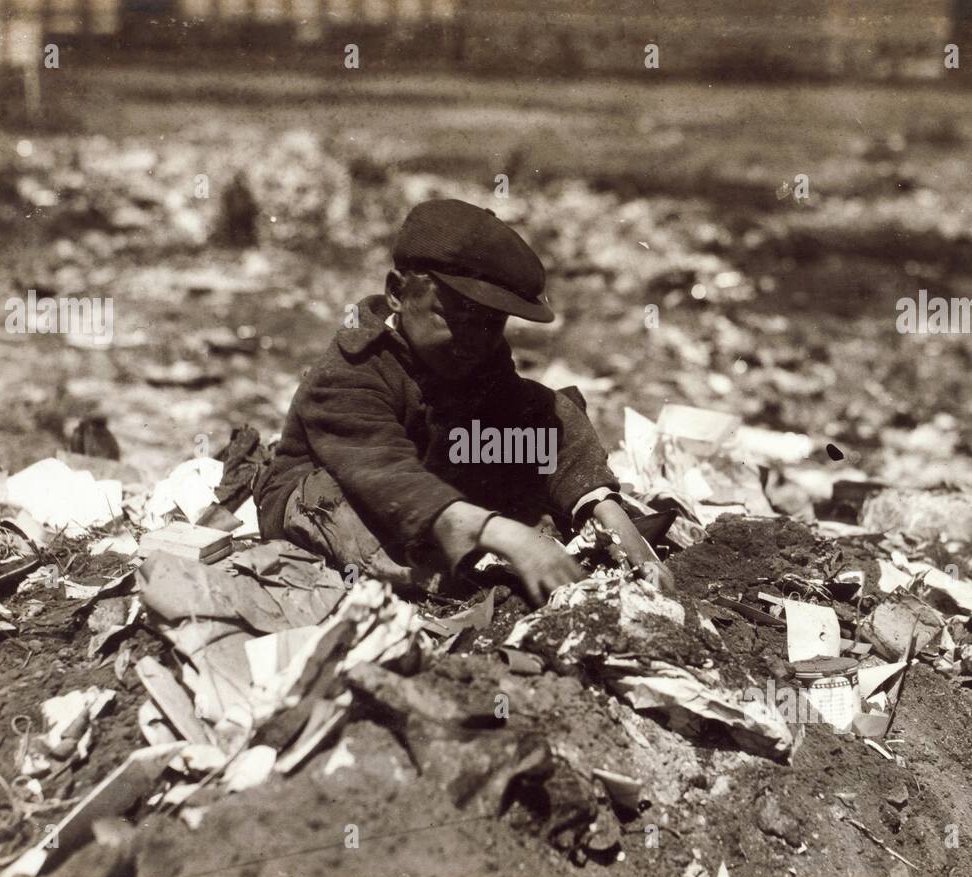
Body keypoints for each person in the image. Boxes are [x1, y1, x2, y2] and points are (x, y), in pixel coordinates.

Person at [254, 198, 672, 605]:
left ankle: (484, 547)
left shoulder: (479, 355)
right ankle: (437, 584)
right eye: (454, 316)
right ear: (397, 293)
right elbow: (384, 474)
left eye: (492, 324)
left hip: (439, 490)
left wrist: (613, 520)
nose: (474, 340)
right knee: (331, 501)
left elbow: (533, 424)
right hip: (351, 495)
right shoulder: (350, 370)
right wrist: (508, 535)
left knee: (546, 413)